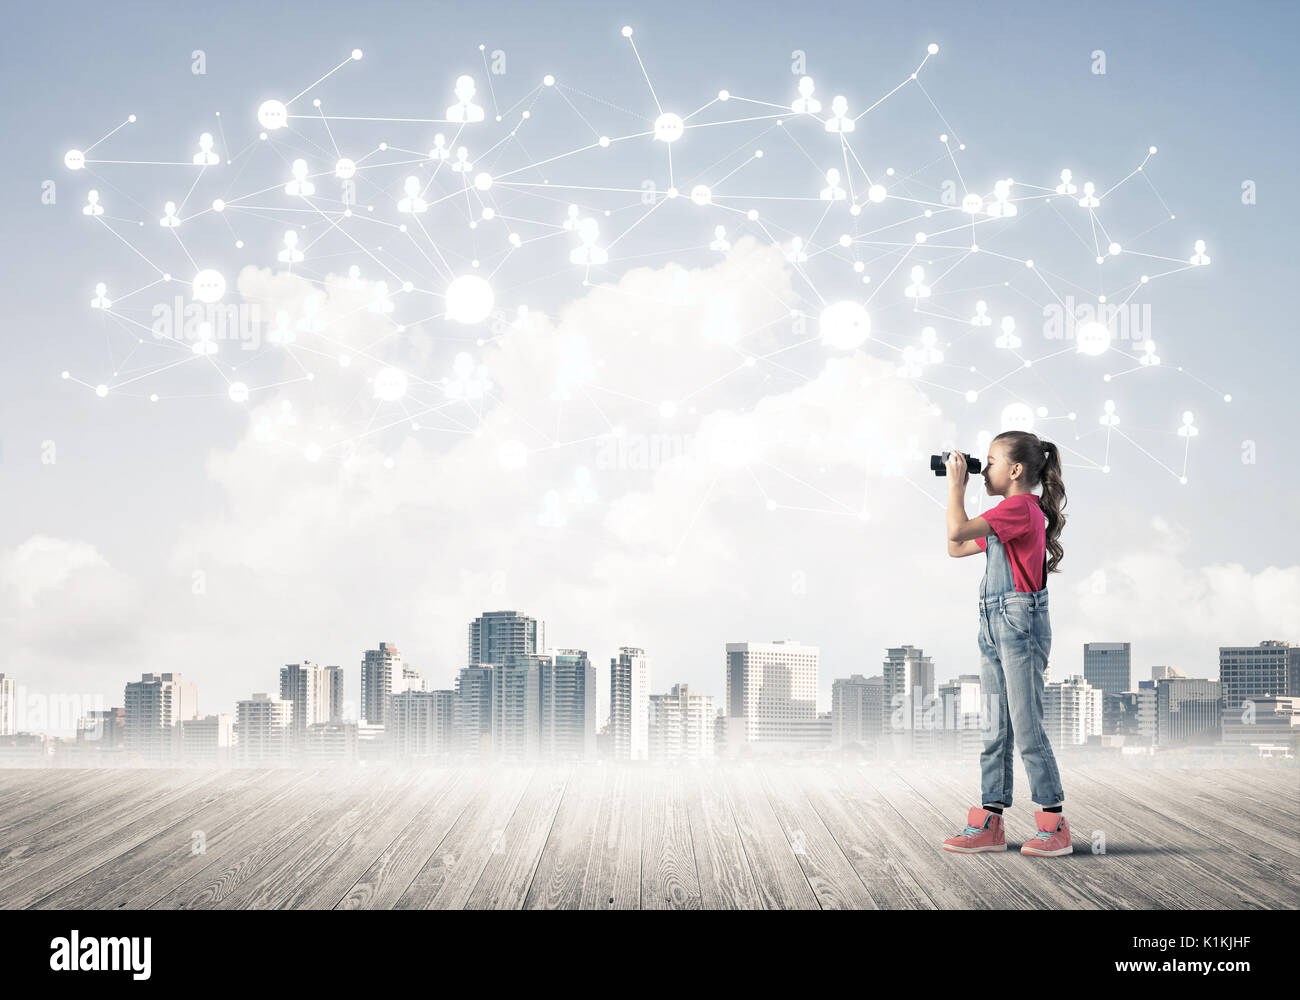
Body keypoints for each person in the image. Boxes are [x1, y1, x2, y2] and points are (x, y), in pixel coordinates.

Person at [940, 431, 1072, 857]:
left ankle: (1054, 825)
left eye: (991, 461)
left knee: (1026, 724)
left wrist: (956, 486)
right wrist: (956, 491)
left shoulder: (1018, 509)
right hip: (993, 623)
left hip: (1018, 624)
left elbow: (957, 527)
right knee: (994, 727)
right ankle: (991, 823)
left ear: (1015, 471)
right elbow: (956, 546)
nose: (985, 468)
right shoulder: (1003, 516)